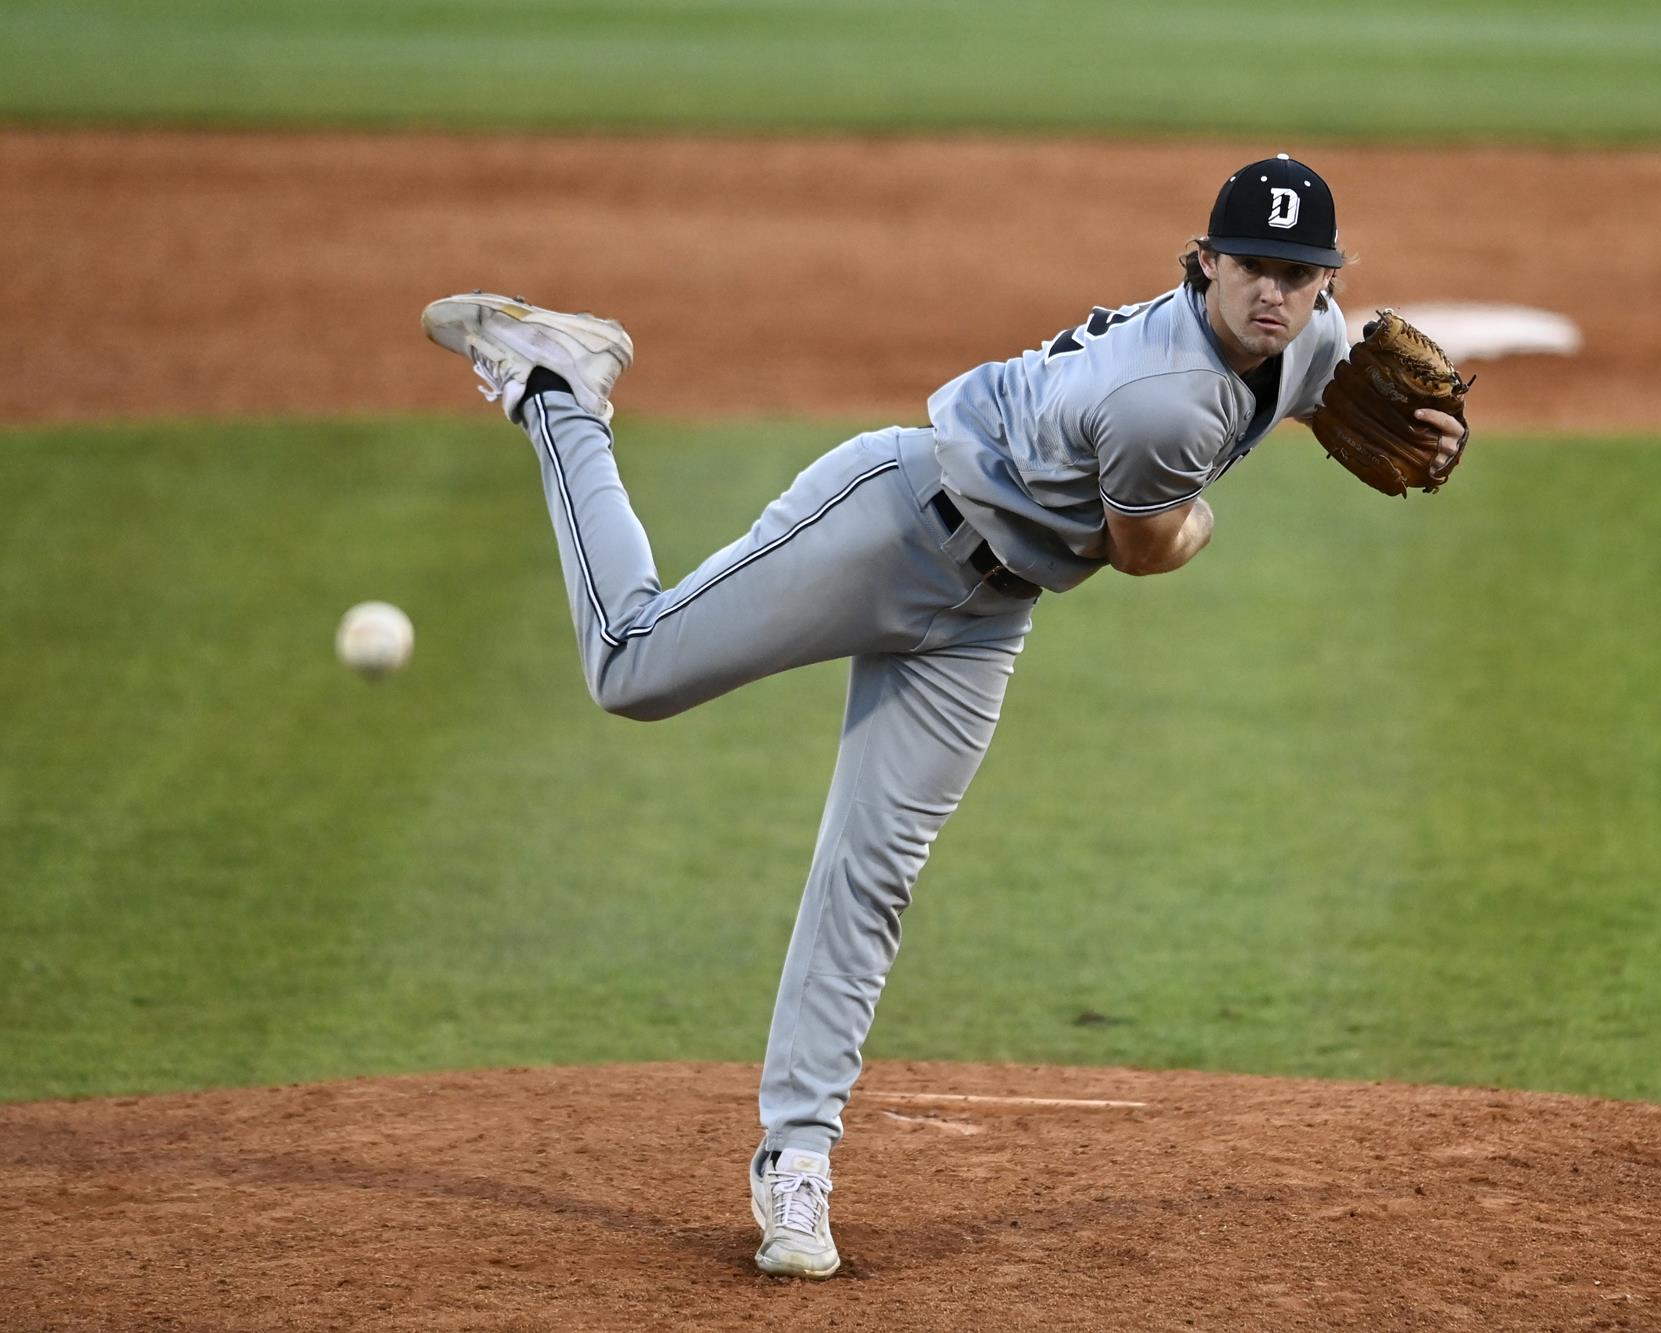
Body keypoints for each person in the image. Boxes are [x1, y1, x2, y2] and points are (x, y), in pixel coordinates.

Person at [421, 153, 1466, 1280]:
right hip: (892, 525)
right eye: (1252, 265)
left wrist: (1436, 431)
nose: (1274, 292)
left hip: (985, 616)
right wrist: (1207, 518)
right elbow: (1147, 549)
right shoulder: (1158, 401)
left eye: (1299, 274)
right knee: (630, 666)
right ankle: (560, 389)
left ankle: (796, 1158)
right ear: (1205, 261)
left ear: (1327, 281)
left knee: (871, 869)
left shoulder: (1312, 336)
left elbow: (1330, 383)